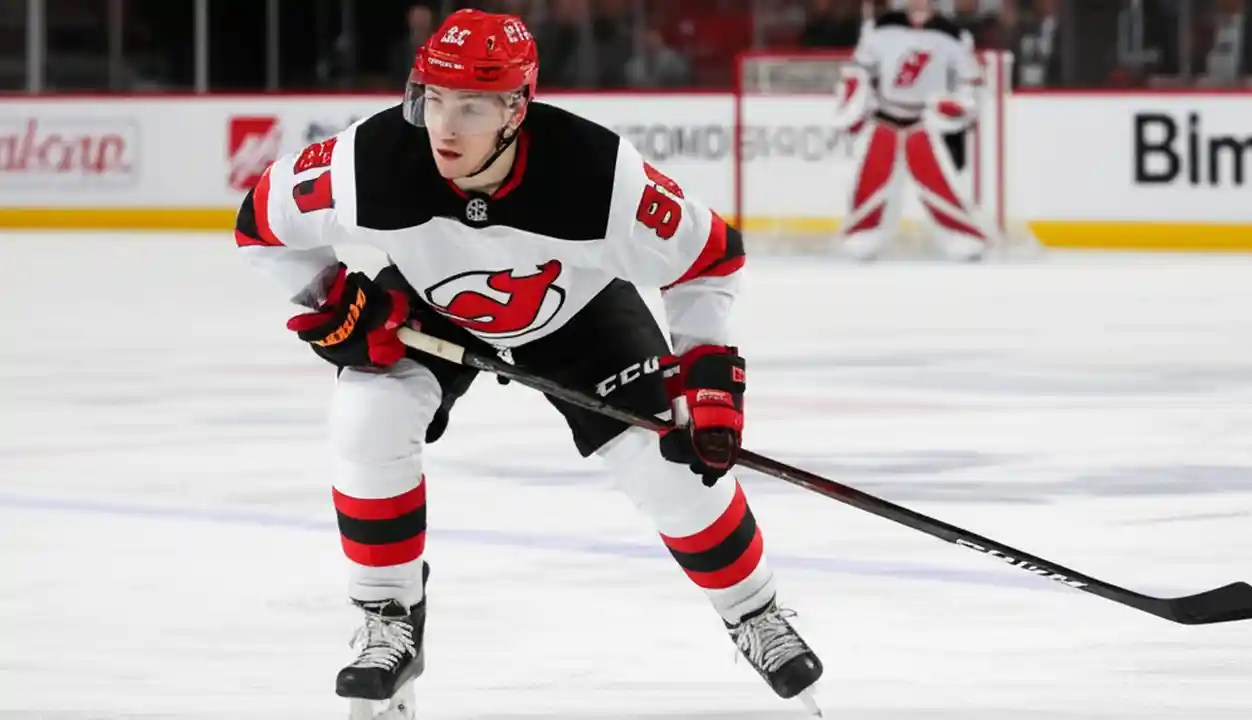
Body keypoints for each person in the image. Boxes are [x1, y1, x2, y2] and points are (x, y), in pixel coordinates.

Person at [233, 9, 822, 719]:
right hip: (428, 305)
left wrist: (705, 374)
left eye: (472, 107)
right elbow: (260, 223)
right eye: (434, 100)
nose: (445, 128)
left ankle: (752, 611)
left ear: (516, 109)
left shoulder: (599, 175)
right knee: (366, 420)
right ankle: (389, 618)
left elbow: (711, 257)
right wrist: (332, 304)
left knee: (669, 467)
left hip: (578, 314)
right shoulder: (372, 160)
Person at [835, 0, 994, 261]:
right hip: (884, 118)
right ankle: (862, 230)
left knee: (936, 181)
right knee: (871, 178)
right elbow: (859, 69)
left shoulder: (952, 35)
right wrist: (855, 98)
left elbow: (970, 82)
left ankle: (961, 234)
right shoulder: (880, 28)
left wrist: (958, 105)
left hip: (924, 122)